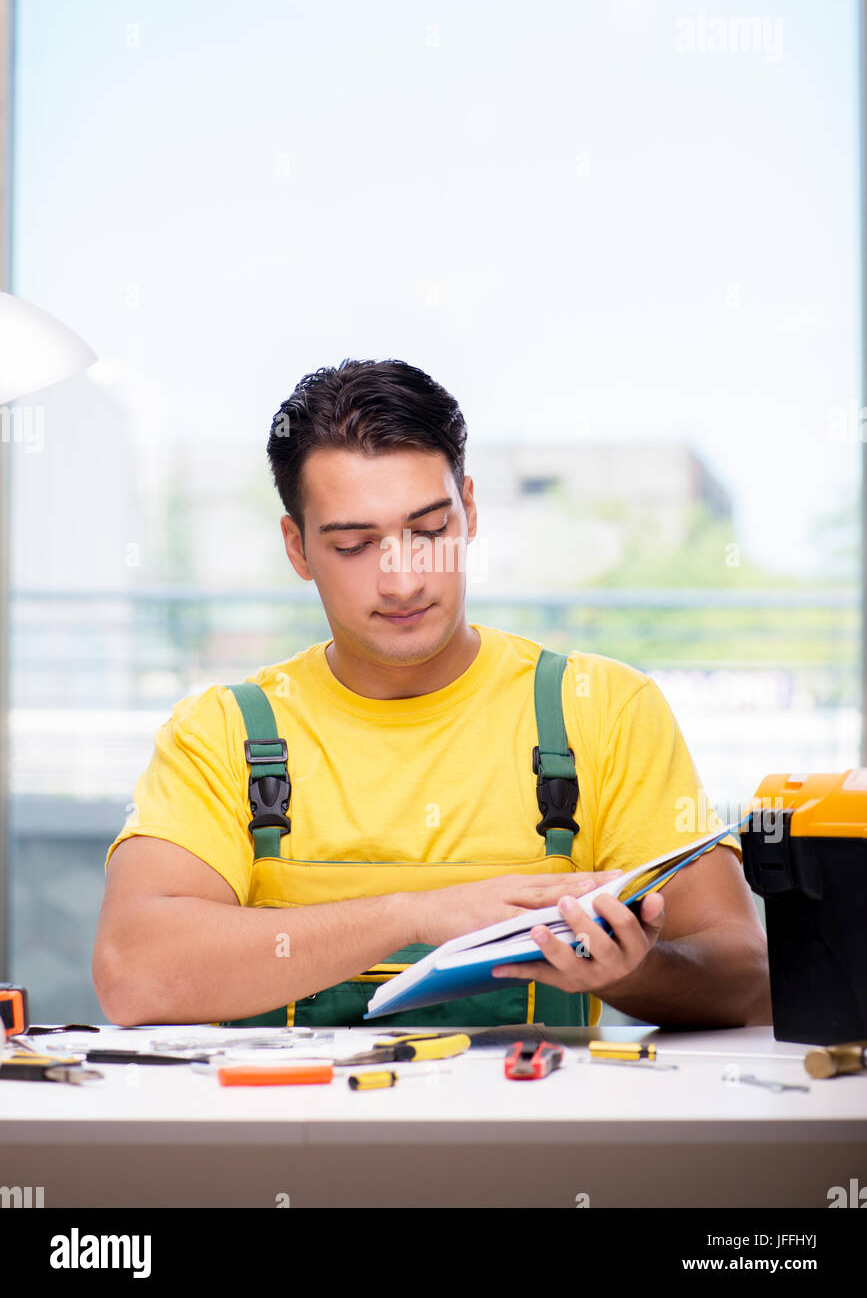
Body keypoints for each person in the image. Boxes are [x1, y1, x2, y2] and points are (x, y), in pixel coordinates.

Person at [92, 358, 771, 1029]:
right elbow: (134, 975)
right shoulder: (222, 733)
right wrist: (411, 915)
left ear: (468, 511)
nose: (403, 581)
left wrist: (632, 970)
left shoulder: (599, 709)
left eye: (428, 531)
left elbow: (742, 977)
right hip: (294, 1135)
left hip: (531, 1133)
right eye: (355, 544)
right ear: (297, 549)